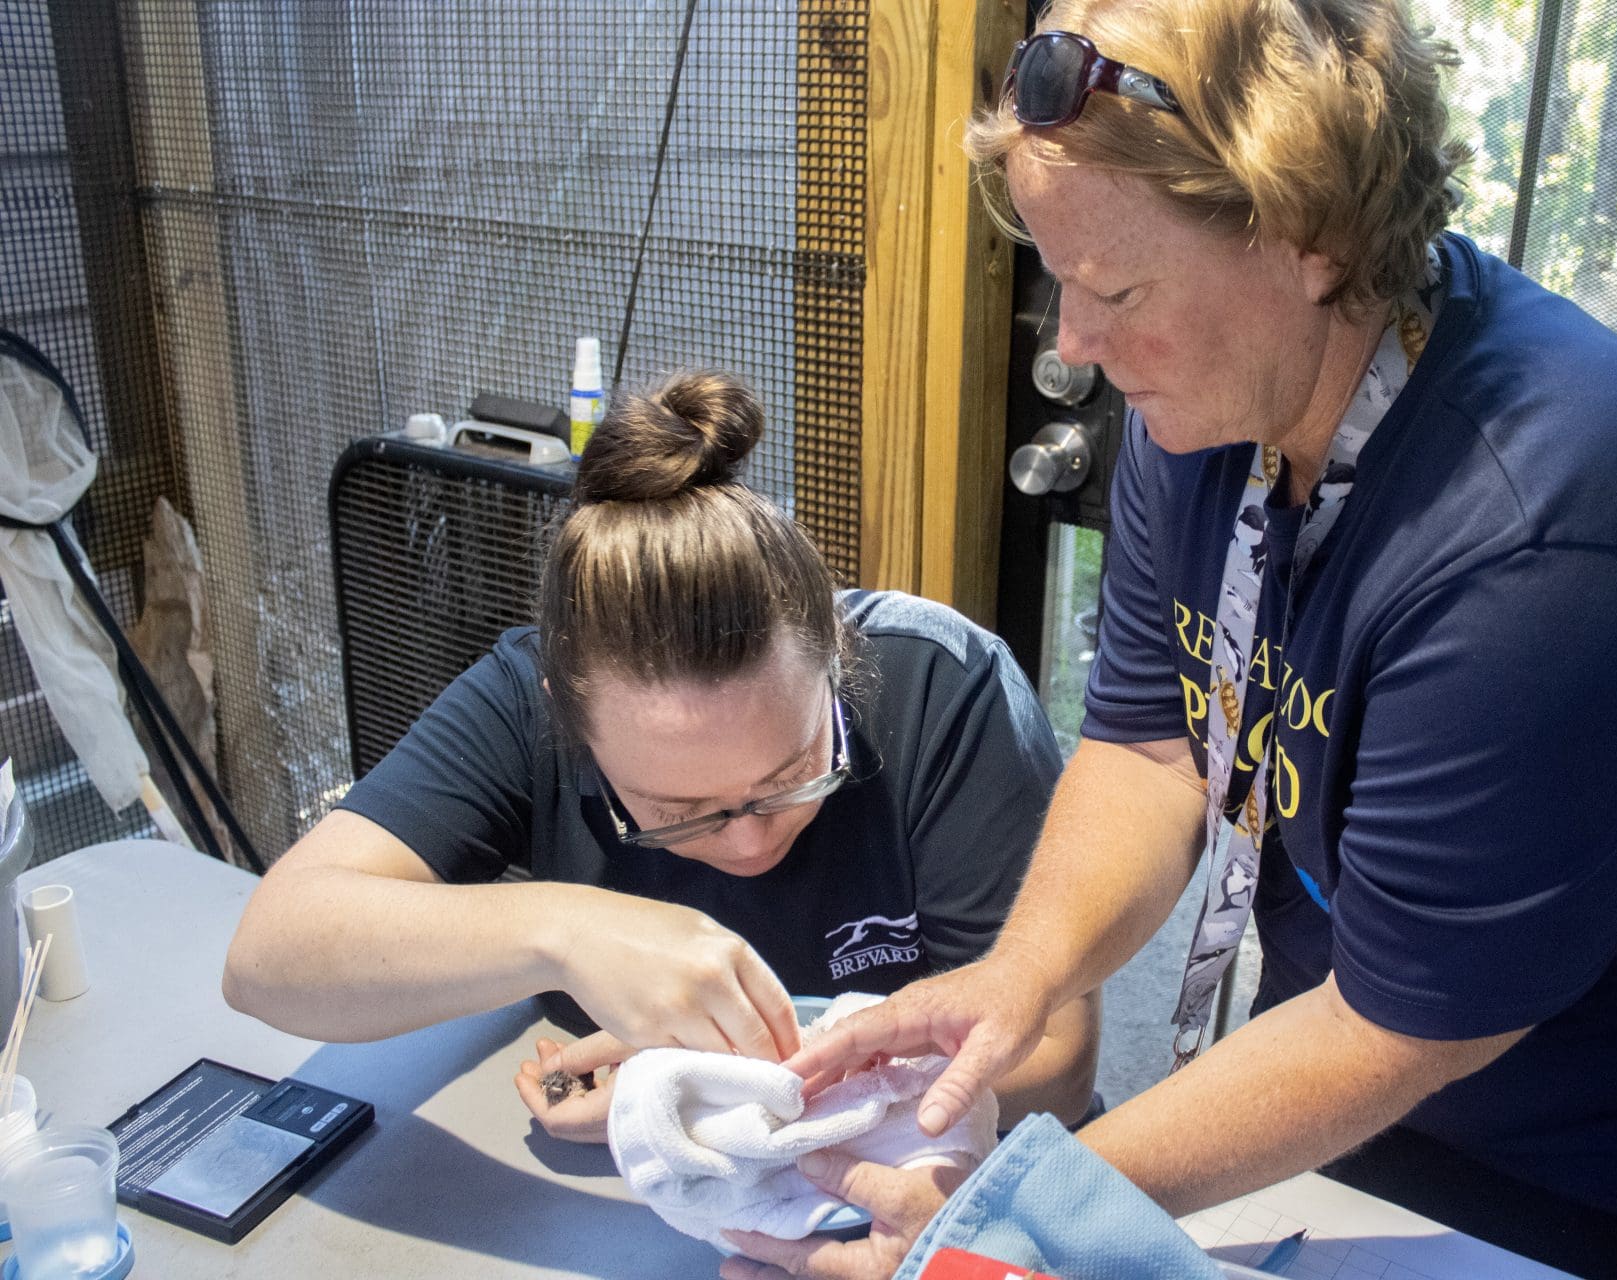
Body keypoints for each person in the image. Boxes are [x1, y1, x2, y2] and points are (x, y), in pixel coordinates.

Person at [728, 4, 1617, 1279]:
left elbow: (1408, 1025)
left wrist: (1009, 1203)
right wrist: (1023, 974)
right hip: (1337, 1072)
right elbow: (1152, 748)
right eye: (1060, 278)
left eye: (1114, 289)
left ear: (1311, 238)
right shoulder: (1214, 407)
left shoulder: (1551, 531)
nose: (1075, 345)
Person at [222, 370, 1098, 1146]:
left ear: (837, 653)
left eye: (793, 774)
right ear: (566, 718)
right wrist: (567, 932)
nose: (751, 845)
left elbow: (1056, 1065)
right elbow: (269, 960)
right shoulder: (522, 697)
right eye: (678, 812)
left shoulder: (944, 688)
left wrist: (715, 1093)